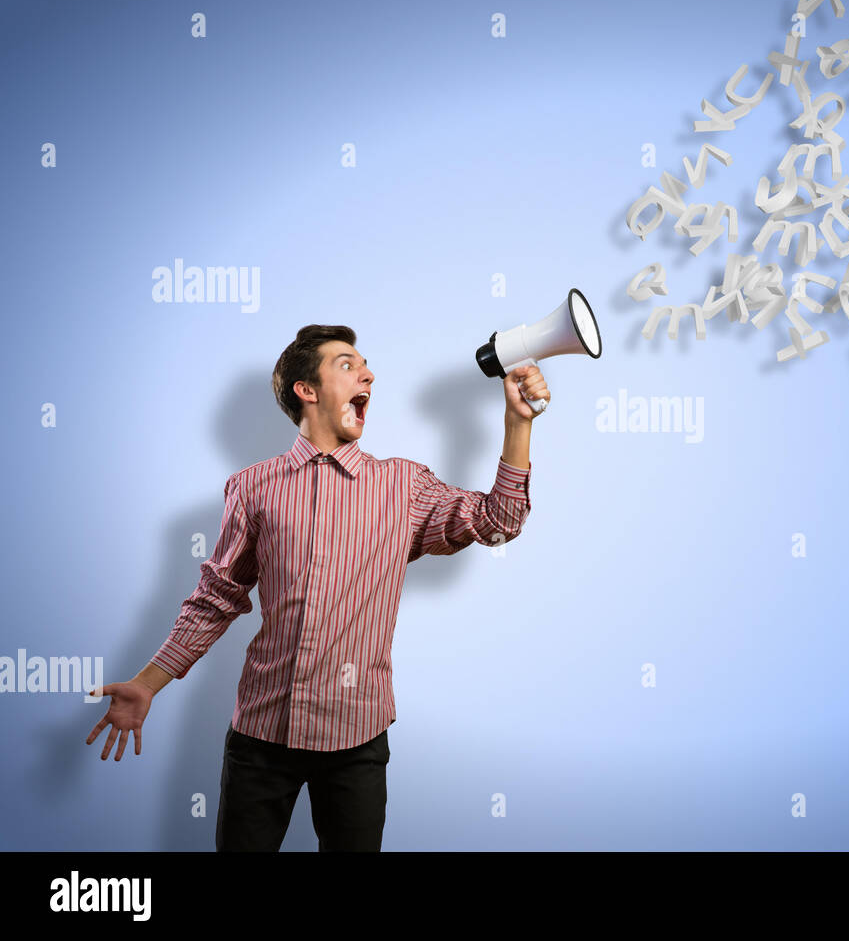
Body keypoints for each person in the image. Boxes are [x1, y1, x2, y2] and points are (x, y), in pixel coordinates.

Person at [85, 324, 549, 851]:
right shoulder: (252, 486)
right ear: (306, 390)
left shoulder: (403, 485)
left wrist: (517, 423)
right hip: (261, 738)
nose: (369, 373)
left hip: (357, 739)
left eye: (366, 365)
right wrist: (146, 683)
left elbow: (498, 521)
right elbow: (216, 599)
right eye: (348, 364)